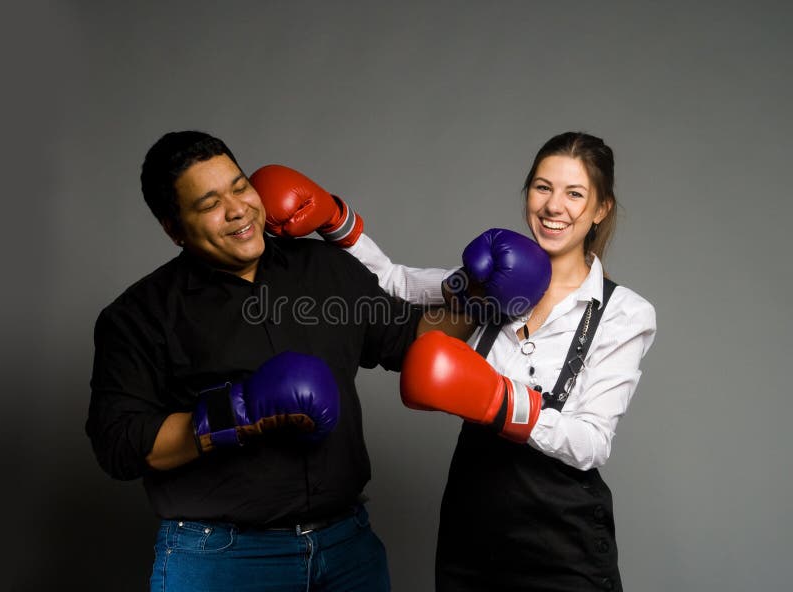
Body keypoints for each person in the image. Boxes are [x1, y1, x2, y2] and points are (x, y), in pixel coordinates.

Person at [85, 130, 547, 592]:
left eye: (240, 186)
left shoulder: (324, 267)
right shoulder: (138, 316)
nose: (237, 209)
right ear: (174, 228)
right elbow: (121, 444)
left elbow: (410, 339)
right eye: (209, 204)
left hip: (346, 549)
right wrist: (241, 412)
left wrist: (481, 296)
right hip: (221, 559)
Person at [273, 132, 657, 591]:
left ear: (600, 209)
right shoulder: (493, 280)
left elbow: (593, 442)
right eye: (542, 187)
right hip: (471, 525)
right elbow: (392, 280)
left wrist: (498, 401)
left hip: (562, 538)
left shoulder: (624, 312)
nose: (554, 206)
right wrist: (335, 219)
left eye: (574, 193)